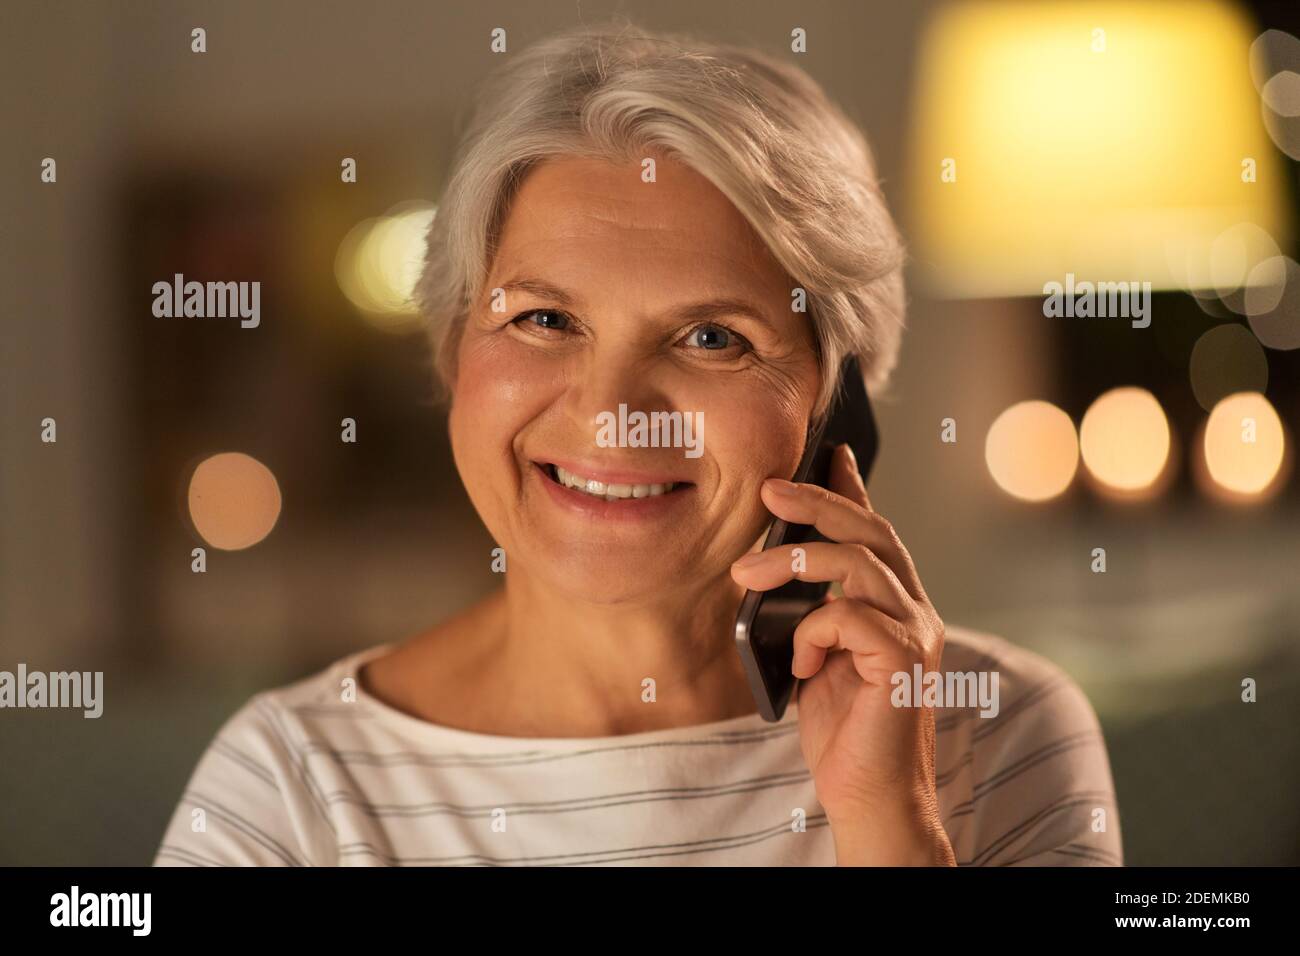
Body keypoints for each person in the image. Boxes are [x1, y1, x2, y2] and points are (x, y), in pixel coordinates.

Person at [154, 21, 1122, 867]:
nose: (612, 409)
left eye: (712, 338)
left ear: (837, 406)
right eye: (542, 318)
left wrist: (887, 819)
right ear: (453, 351)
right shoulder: (290, 781)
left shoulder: (996, 725)